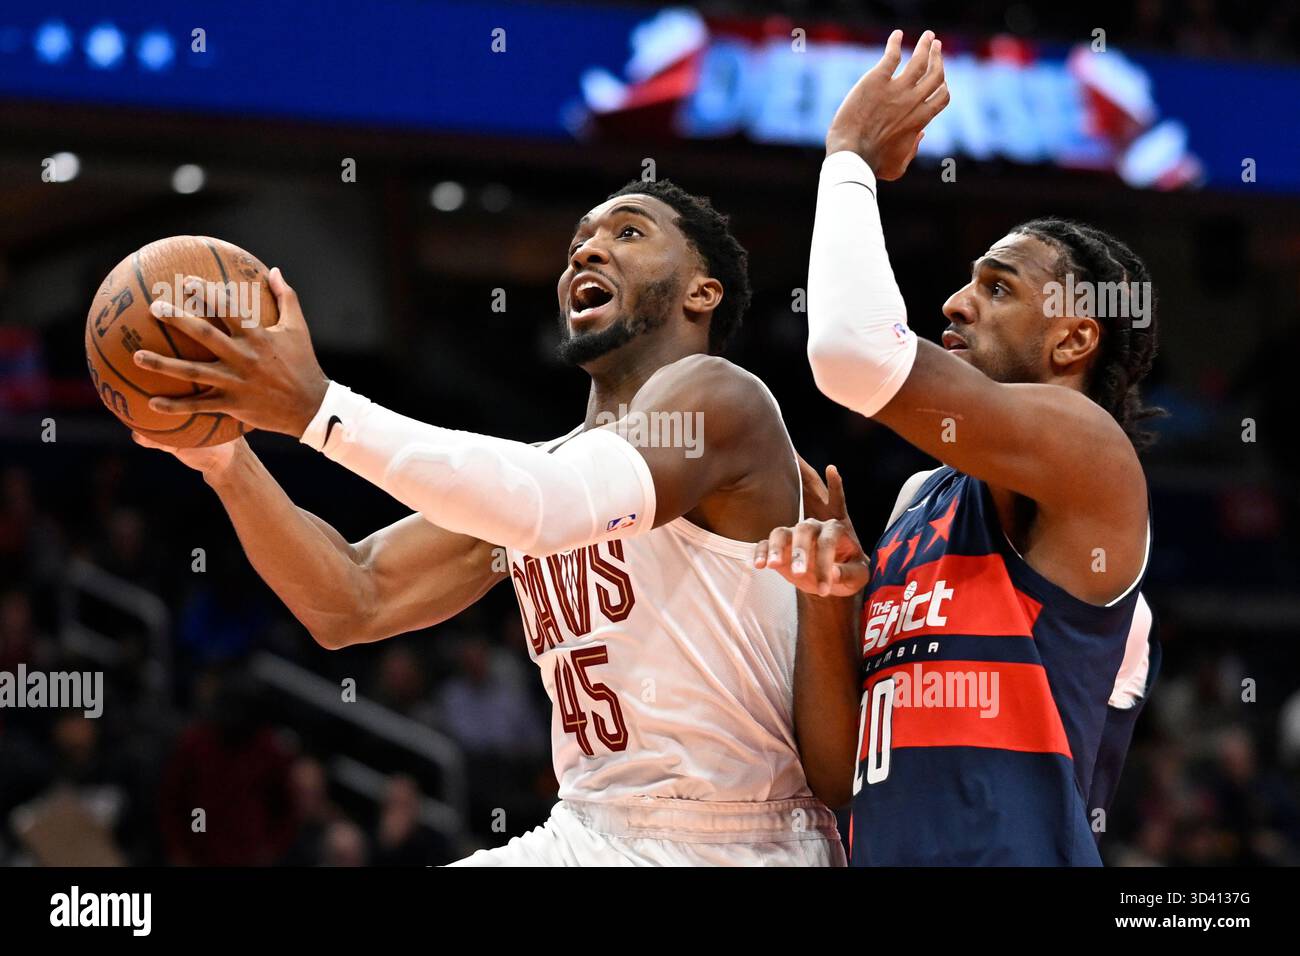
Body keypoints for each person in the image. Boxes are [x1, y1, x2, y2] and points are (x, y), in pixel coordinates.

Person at [130, 179, 844, 866]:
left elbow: (559, 504)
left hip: (734, 841)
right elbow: (351, 598)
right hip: (591, 829)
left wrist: (321, 411)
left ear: (702, 290)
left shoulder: (722, 403)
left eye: (628, 232)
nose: (588, 251)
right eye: (579, 240)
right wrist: (228, 464)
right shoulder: (536, 480)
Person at [755, 30, 1160, 865]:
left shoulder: (1093, 457)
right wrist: (828, 601)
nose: (954, 302)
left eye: (998, 286)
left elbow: (852, 353)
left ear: (1072, 338)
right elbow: (838, 775)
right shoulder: (917, 502)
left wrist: (849, 158)